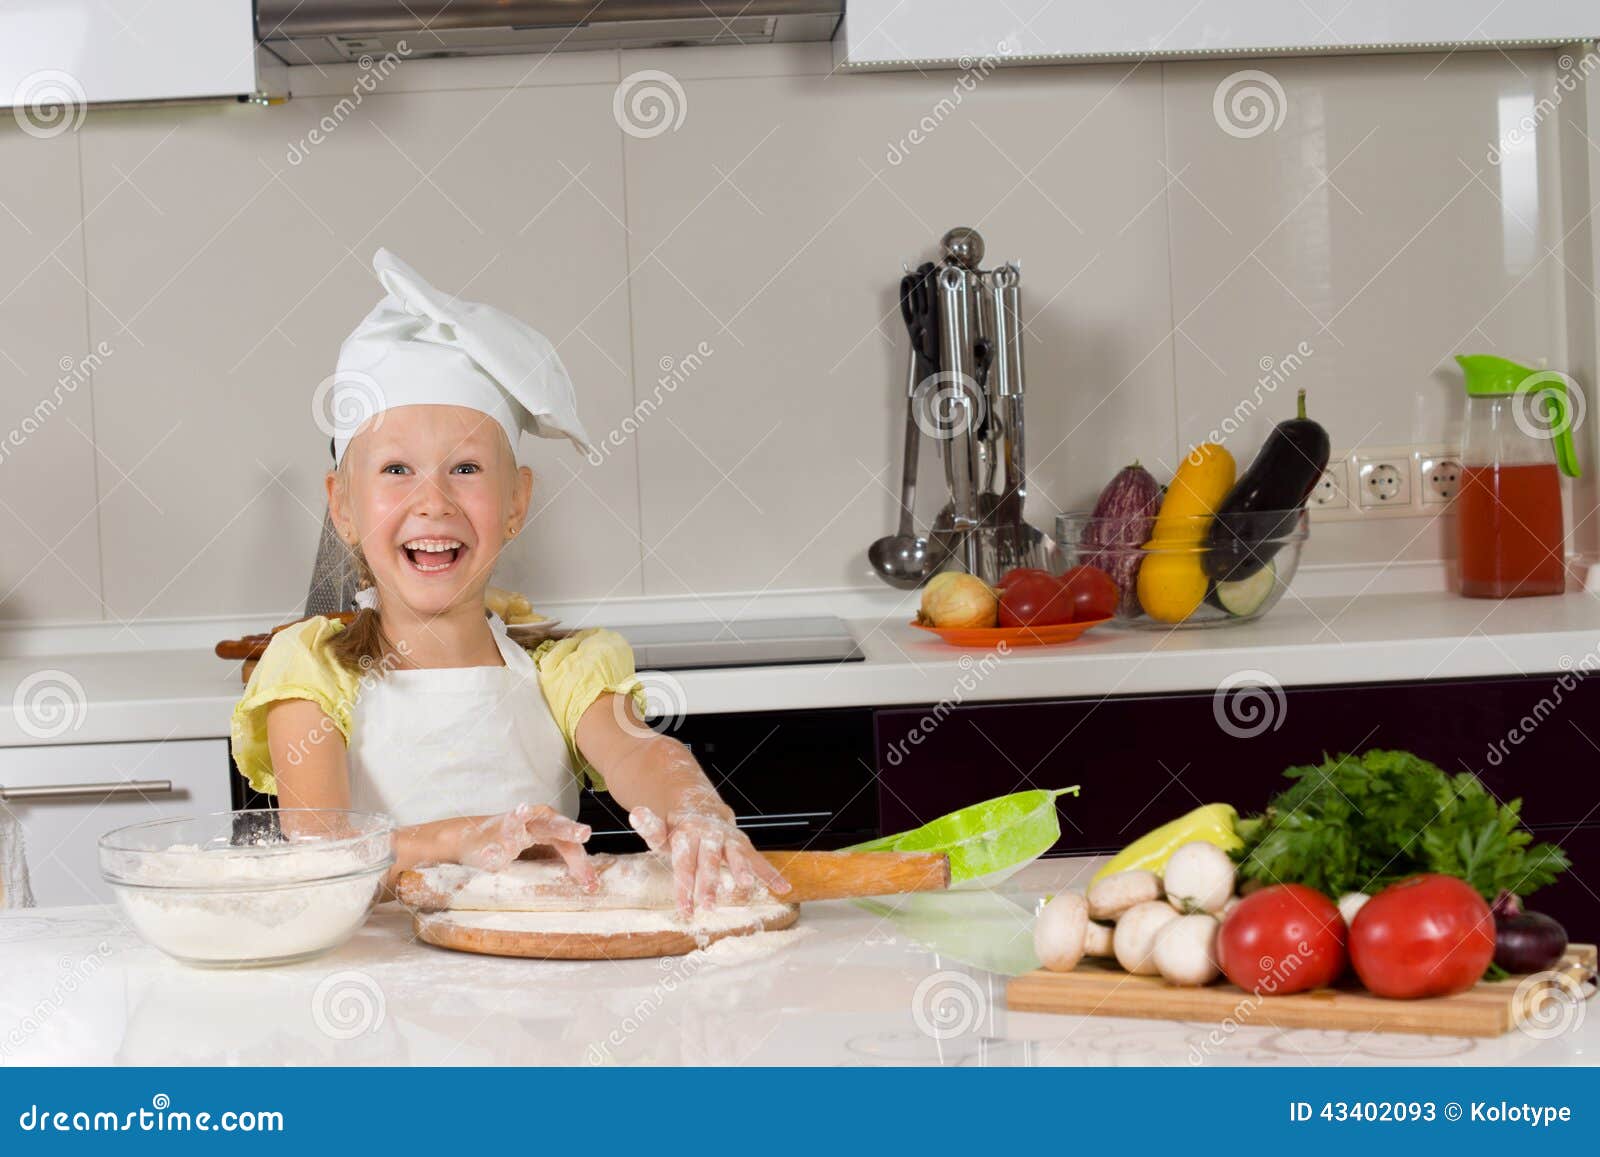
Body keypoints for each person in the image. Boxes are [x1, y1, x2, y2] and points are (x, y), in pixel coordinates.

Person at [230, 249, 789, 914]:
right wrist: (462, 838)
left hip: (538, 992)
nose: (433, 502)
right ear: (343, 505)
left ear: (518, 501)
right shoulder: (312, 671)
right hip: (377, 997)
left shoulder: (560, 668)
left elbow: (645, 756)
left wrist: (695, 808)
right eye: (396, 470)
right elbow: (321, 853)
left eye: (465, 468)